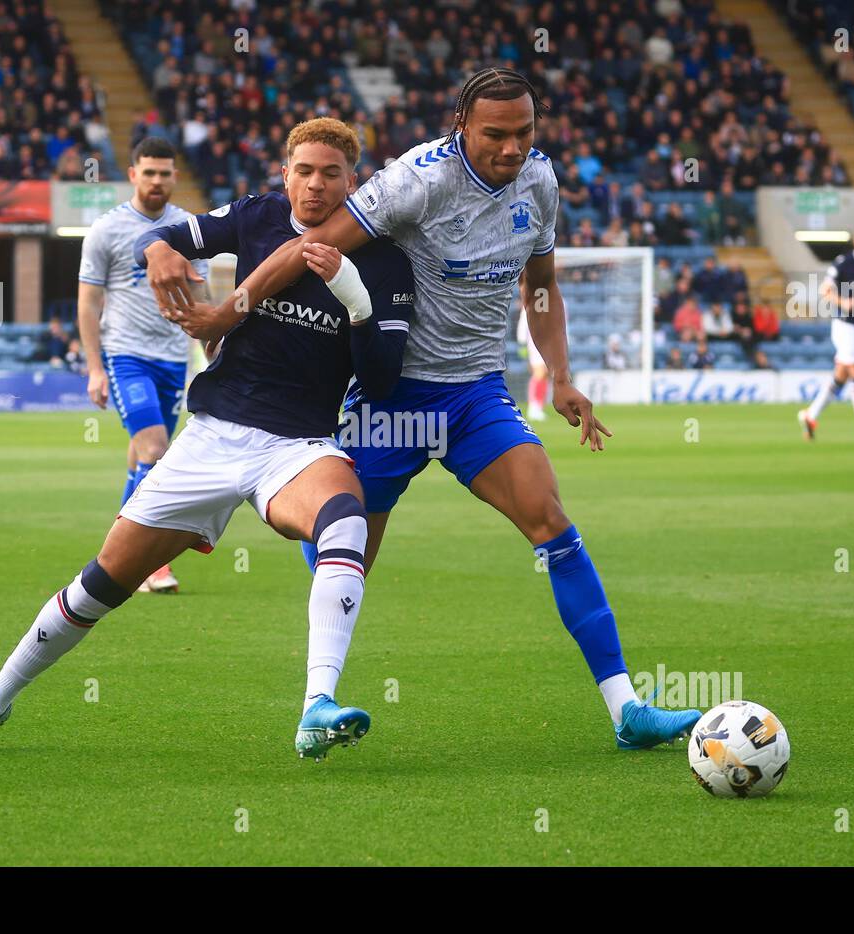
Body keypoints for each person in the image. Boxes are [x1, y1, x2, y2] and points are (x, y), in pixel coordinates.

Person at [149, 67, 701, 750]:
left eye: (524, 132)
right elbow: (306, 247)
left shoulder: (540, 181)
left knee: (551, 521)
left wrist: (558, 374)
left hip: (473, 393)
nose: (511, 148)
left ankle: (627, 711)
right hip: (389, 397)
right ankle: (318, 705)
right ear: (461, 126)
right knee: (342, 550)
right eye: (495, 134)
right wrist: (227, 316)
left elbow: (542, 286)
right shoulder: (417, 179)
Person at [0, 118, 415, 762]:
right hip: (210, 438)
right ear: (285, 173)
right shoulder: (258, 217)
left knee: (346, 520)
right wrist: (158, 249)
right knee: (101, 583)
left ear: (356, 180)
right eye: (304, 171)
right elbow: (167, 234)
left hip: (297, 446)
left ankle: (318, 704)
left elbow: (380, 378)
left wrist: (355, 299)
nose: (316, 186)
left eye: (332, 174)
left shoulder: (386, 262)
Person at [77, 137, 207, 594]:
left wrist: (213, 357)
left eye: (164, 173)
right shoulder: (107, 229)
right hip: (125, 354)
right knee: (155, 451)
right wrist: (95, 368)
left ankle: (115, 557)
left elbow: (201, 299)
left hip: (173, 358)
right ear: (132, 174)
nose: (156, 181)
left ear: (175, 176)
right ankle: (152, 566)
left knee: (141, 457)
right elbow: (89, 303)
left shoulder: (190, 229)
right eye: (148, 172)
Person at [798, 226, 854, 442]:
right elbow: (825, 289)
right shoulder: (844, 263)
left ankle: (811, 416)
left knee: (841, 375)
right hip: (845, 324)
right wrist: (843, 302)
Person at [515, 293, 548, 421]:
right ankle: (534, 406)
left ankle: (538, 405)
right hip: (534, 342)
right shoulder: (532, 300)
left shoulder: (551, 299)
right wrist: (522, 343)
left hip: (547, 342)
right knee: (539, 373)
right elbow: (523, 323)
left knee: (544, 374)